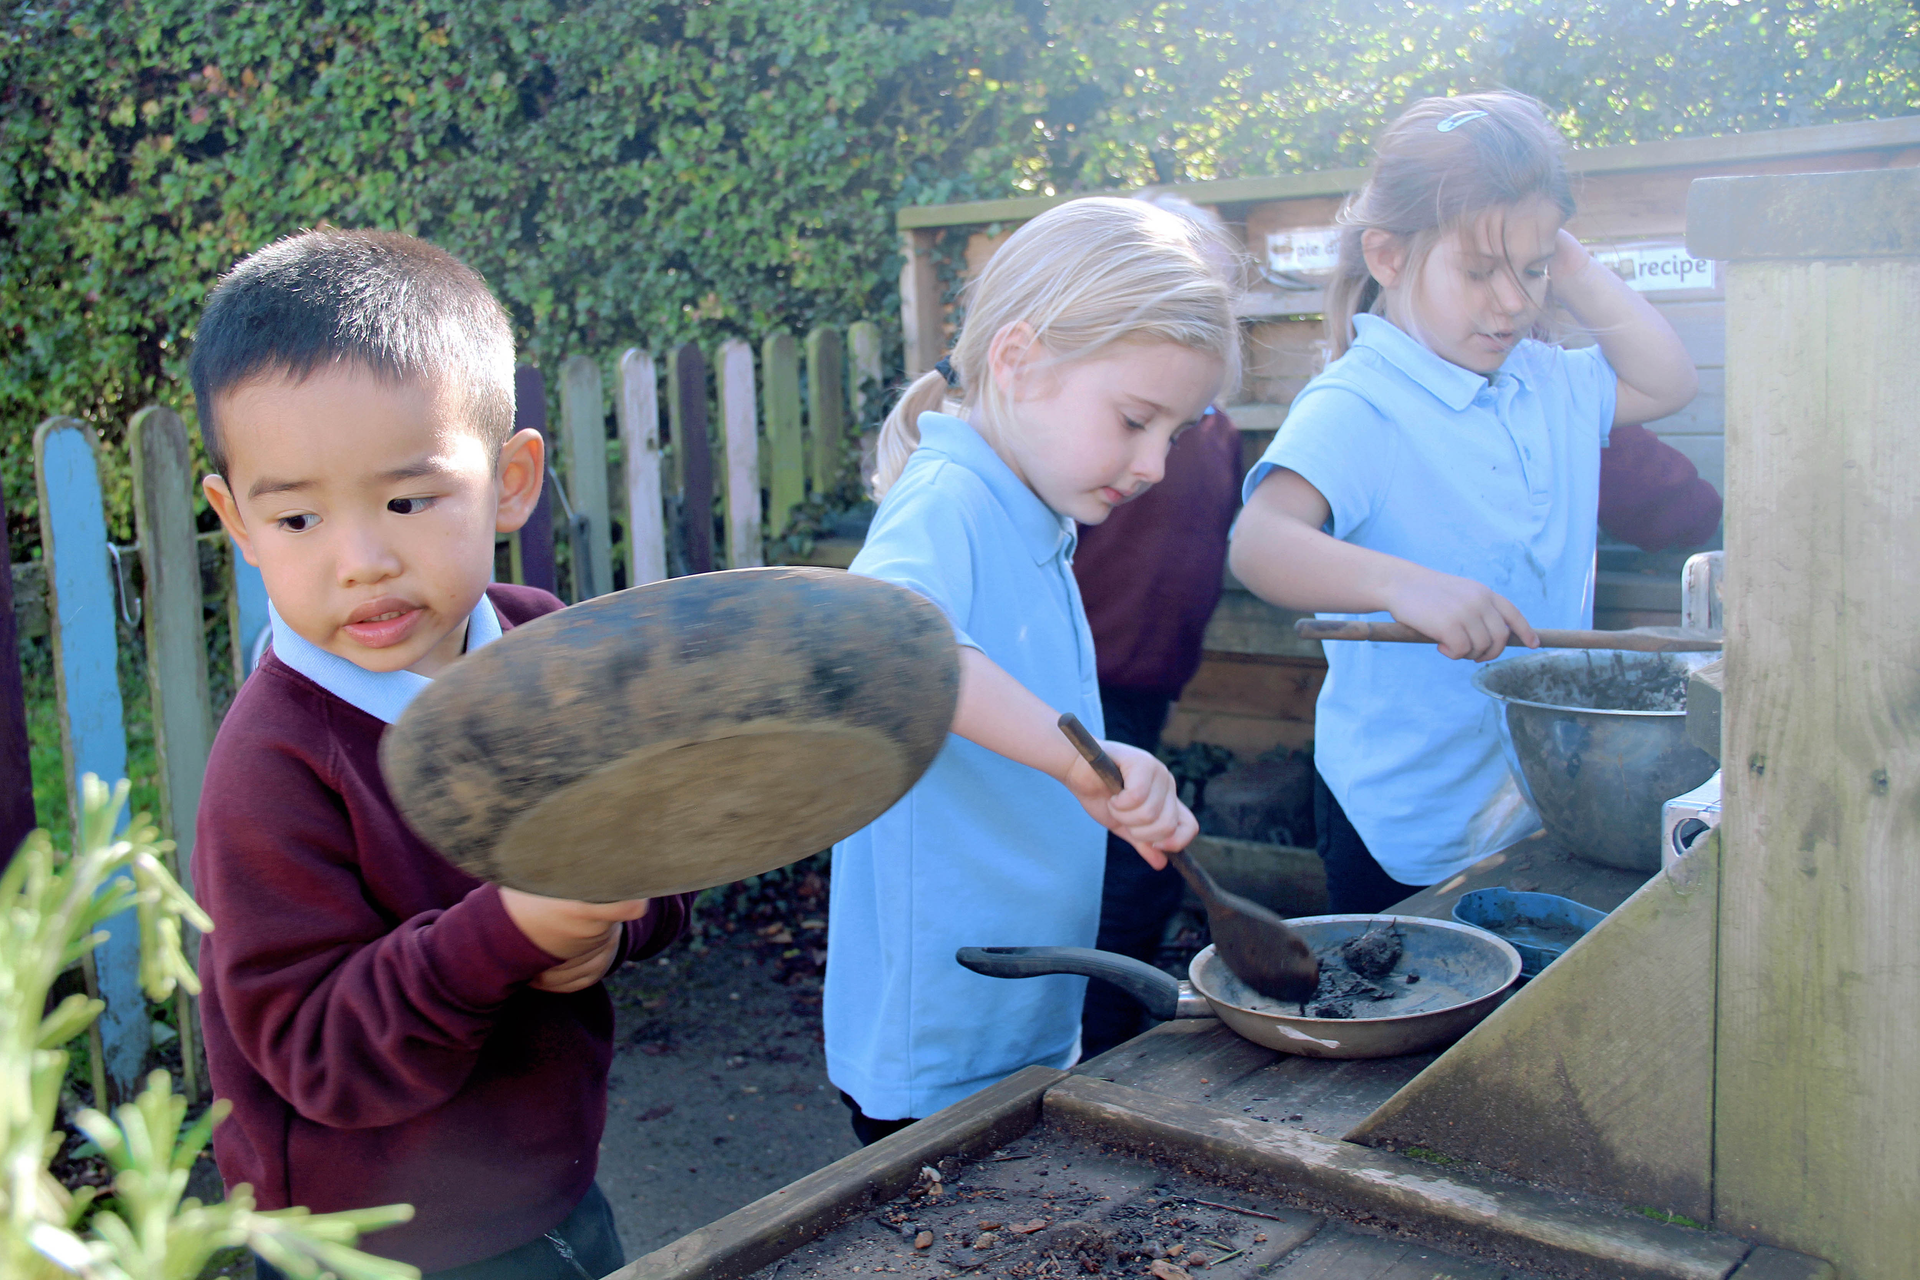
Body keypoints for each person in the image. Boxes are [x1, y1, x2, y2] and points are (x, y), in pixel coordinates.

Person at [191, 229, 693, 1279]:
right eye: (297, 515)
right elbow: (316, 1049)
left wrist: (617, 928)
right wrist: (506, 931)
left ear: (510, 480)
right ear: (237, 520)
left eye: (408, 500)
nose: (362, 559)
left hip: (552, 1186)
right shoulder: (277, 763)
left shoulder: (549, 650)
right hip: (363, 1243)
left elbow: (658, 841)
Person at [1228, 91, 1698, 914]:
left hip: (1533, 802)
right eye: (1480, 271)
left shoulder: (1546, 377)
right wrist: (1405, 585)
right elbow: (1259, 545)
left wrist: (1572, 265)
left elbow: (1670, 379)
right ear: (1389, 256)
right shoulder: (1359, 402)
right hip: (1402, 821)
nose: (1514, 301)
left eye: (1536, 268)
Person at [826, 197, 1233, 1144]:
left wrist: (1110, 767)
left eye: (1175, 431)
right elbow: (893, 649)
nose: (1156, 464)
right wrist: (1074, 760)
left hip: (1015, 1010)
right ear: (1018, 361)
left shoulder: (1031, 512)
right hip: (942, 1025)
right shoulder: (950, 499)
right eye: (1136, 420)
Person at [1070, 409, 1241, 1058]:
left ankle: (1105, 1042)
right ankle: (1095, 1051)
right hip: (1079, 687)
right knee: (1130, 876)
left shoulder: (1215, 432)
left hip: (1146, 683)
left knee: (1139, 872)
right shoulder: (1106, 423)